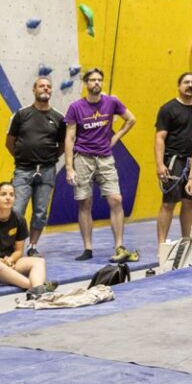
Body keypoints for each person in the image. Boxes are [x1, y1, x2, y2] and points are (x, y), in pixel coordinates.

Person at [64, 68, 137, 263]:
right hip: (82, 158)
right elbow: (70, 137)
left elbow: (131, 119)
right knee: (85, 203)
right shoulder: (76, 107)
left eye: (99, 80)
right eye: (92, 80)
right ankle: (88, 248)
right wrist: (69, 167)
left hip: (105, 158)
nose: (96, 83)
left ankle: (119, 245)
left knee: (115, 199)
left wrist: (116, 136)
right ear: (85, 84)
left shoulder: (111, 102)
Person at [6, 75, 65, 256]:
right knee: (17, 211)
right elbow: (10, 142)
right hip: (23, 171)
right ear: (34, 90)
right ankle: (12, 247)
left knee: (40, 212)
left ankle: (32, 246)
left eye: (48, 86)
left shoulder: (58, 118)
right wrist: (24, 158)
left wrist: (48, 159)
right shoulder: (21, 115)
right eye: (41, 86)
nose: (45, 89)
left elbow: (62, 145)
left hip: (46, 171)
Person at [0, 183, 58, 299]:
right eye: (3, 194)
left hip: (10, 263)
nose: (8, 197)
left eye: (11, 195)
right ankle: (34, 288)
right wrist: (3, 261)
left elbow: (19, 250)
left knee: (39, 261)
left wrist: (11, 259)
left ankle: (37, 288)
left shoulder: (19, 219)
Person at [155, 72, 192, 250]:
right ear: (179, 86)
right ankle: (162, 244)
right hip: (173, 161)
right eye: (186, 82)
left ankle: (188, 241)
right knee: (168, 203)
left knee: (190, 202)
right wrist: (160, 164)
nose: (190, 85)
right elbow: (160, 138)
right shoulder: (168, 109)